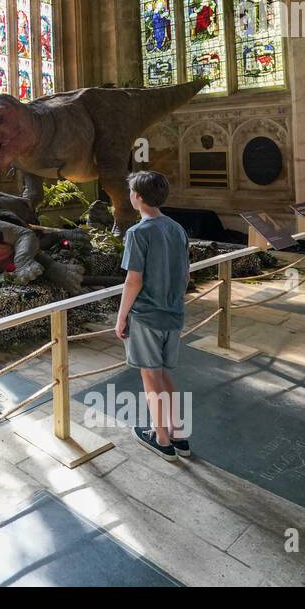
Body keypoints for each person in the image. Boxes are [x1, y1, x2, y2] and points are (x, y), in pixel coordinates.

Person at [114, 171, 191, 462]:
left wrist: (121, 318)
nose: (130, 195)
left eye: (132, 190)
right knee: (164, 374)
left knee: (150, 378)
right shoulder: (176, 229)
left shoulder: (138, 233)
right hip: (173, 314)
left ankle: (161, 438)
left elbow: (133, 281)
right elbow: (184, 275)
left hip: (146, 316)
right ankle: (179, 435)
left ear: (139, 197)